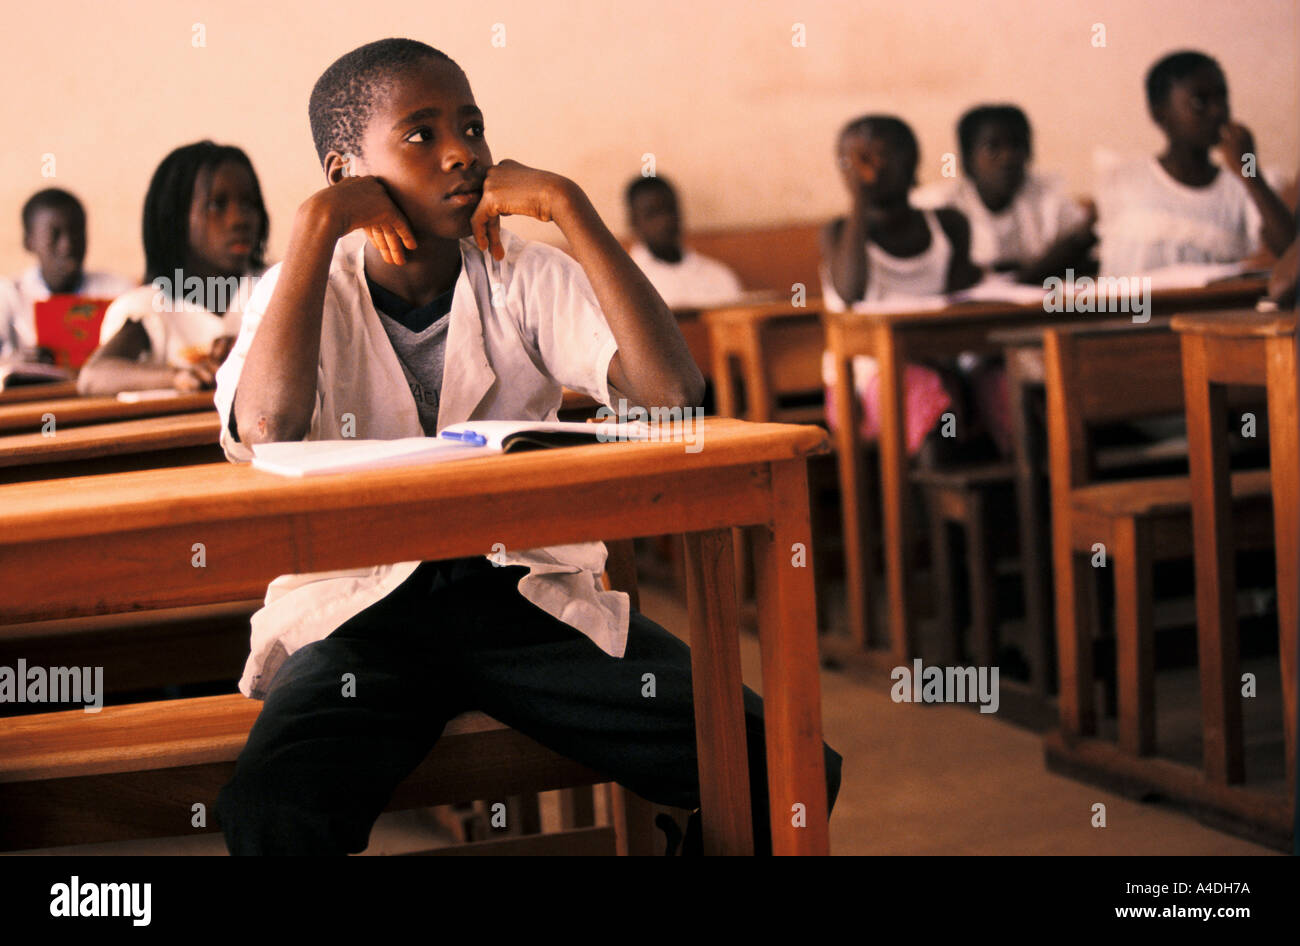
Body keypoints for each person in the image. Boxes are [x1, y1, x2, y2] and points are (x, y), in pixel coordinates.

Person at [212, 37, 842, 856]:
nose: (461, 155)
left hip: (523, 601)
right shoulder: (300, 290)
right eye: (421, 135)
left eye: (471, 128)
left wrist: (570, 205)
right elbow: (265, 429)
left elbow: (673, 395)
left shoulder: (521, 276)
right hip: (360, 617)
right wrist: (315, 225)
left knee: (782, 770)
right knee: (271, 812)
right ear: (346, 173)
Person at [821, 114, 987, 459]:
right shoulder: (839, 233)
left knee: (1005, 388)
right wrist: (859, 200)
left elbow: (959, 303)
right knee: (927, 399)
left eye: (879, 155)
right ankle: (934, 497)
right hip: (864, 382)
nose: (869, 169)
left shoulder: (949, 225)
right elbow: (851, 292)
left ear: (911, 159)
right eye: (854, 159)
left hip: (947, 362)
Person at [76, 141, 268, 394]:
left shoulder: (274, 287)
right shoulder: (150, 307)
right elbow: (94, 376)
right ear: (175, 219)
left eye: (248, 204)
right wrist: (177, 376)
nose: (239, 219)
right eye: (216, 205)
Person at [1096, 50, 1295, 278]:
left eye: (1222, 97)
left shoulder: (1241, 184)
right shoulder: (1125, 181)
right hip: (1136, 311)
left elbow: (1291, 255)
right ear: (1160, 114)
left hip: (1210, 311)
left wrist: (1249, 171)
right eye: (1200, 102)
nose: (1218, 111)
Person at [916, 105, 1095, 283]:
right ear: (966, 159)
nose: (1008, 157)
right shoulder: (940, 204)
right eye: (992, 147)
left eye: (1017, 145)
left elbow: (1085, 257)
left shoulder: (1050, 202)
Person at [0, 188, 132, 360]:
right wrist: (17, 360)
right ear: (29, 241)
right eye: (54, 235)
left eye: (77, 232)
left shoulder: (119, 292)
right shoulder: (9, 295)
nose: (67, 245)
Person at [625, 175, 743, 307]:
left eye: (670, 209)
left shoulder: (719, 276)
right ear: (633, 221)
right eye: (652, 213)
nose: (665, 220)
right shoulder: (625, 283)